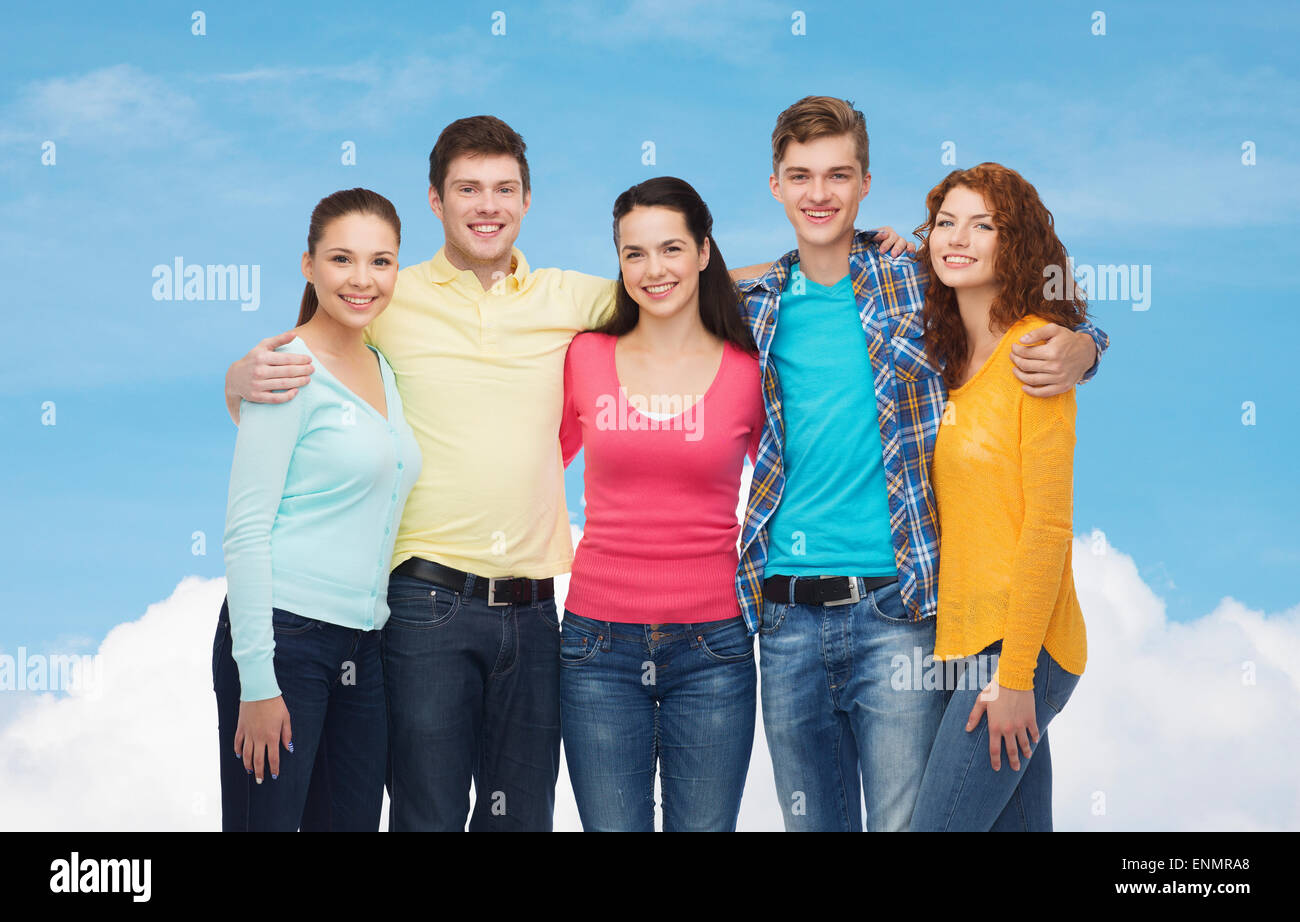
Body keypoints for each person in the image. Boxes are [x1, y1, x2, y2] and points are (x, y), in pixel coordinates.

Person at [223, 115, 915, 831]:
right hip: (429, 603)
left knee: (522, 817)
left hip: (541, 612)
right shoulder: (394, 295)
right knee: (425, 814)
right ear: (436, 200)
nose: (487, 205)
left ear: (528, 201)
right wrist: (237, 379)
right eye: (468, 189)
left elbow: (672, 292)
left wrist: (853, 253)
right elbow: (321, 349)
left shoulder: (570, 303)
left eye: (504, 189)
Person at [733, 96, 1109, 831]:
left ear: (866, 183)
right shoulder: (762, 304)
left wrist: (1086, 341)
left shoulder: (920, 294)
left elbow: (1039, 311)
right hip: (798, 617)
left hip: (905, 614)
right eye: (800, 176)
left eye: (838, 175)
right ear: (774, 184)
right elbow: (666, 280)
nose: (819, 193)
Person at [557, 177, 763, 831]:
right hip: (596, 649)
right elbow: (529, 465)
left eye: (671, 249)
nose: (654, 270)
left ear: (705, 251)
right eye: (634, 254)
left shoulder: (746, 370)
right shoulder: (585, 358)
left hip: (714, 651)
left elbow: (790, 489)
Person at [214, 188, 422, 831]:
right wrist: (257, 679)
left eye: (381, 262)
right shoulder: (285, 370)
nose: (362, 279)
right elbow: (246, 532)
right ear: (309, 266)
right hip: (284, 642)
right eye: (342, 259)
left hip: (365, 644)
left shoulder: (385, 368)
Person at [907, 164, 1088, 831]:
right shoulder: (944, 362)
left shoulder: (1037, 352)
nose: (957, 238)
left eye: (982, 225)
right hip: (961, 646)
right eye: (946, 223)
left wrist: (1015, 679)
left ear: (1014, 245)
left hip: (1022, 648)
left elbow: (1048, 526)